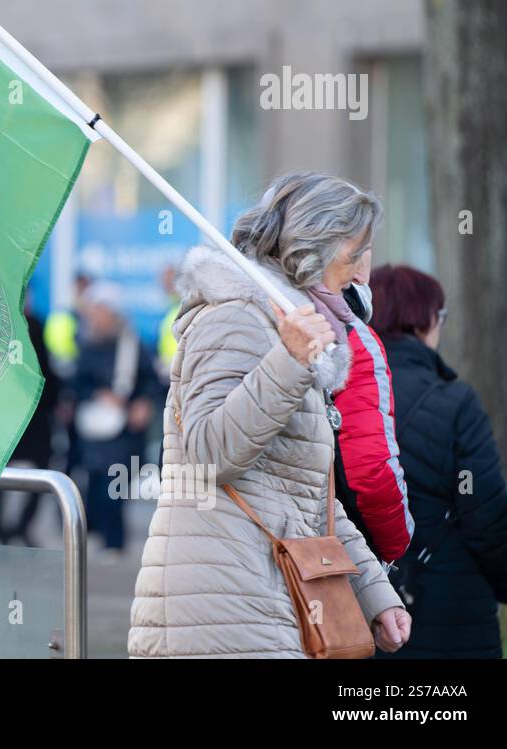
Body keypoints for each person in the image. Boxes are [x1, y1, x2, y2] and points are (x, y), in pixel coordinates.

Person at [129, 172, 409, 658]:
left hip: (265, 598)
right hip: (221, 608)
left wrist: (376, 595)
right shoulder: (236, 315)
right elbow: (209, 454)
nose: (364, 274)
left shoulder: (290, 327)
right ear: (312, 250)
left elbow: (309, 495)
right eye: (355, 254)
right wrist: (289, 362)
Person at [370, 265, 507, 658]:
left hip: (362, 612)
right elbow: (485, 517)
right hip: (450, 616)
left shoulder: (337, 394)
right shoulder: (456, 403)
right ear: (423, 319)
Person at [322, 251, 413, 563]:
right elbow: (371, 472)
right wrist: (395, 548)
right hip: (319, 559)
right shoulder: (351, 337)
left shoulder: (223, 312)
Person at [72, 281, 155, 562]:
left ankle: (115, 541)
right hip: (94, 428)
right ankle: (99, 537)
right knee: (94, 483)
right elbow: (77, 383)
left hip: (123, 431)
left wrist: (142, 403)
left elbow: (150, 381)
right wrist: (98, 393)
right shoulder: (88, 344)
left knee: (114, 483)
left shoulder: (132, 346)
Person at [0, 303, 57, 546]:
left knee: (39, 469)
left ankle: (18, 527)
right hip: (7, 415)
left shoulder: (33, 325)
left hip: (31, 416)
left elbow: (44, 370)